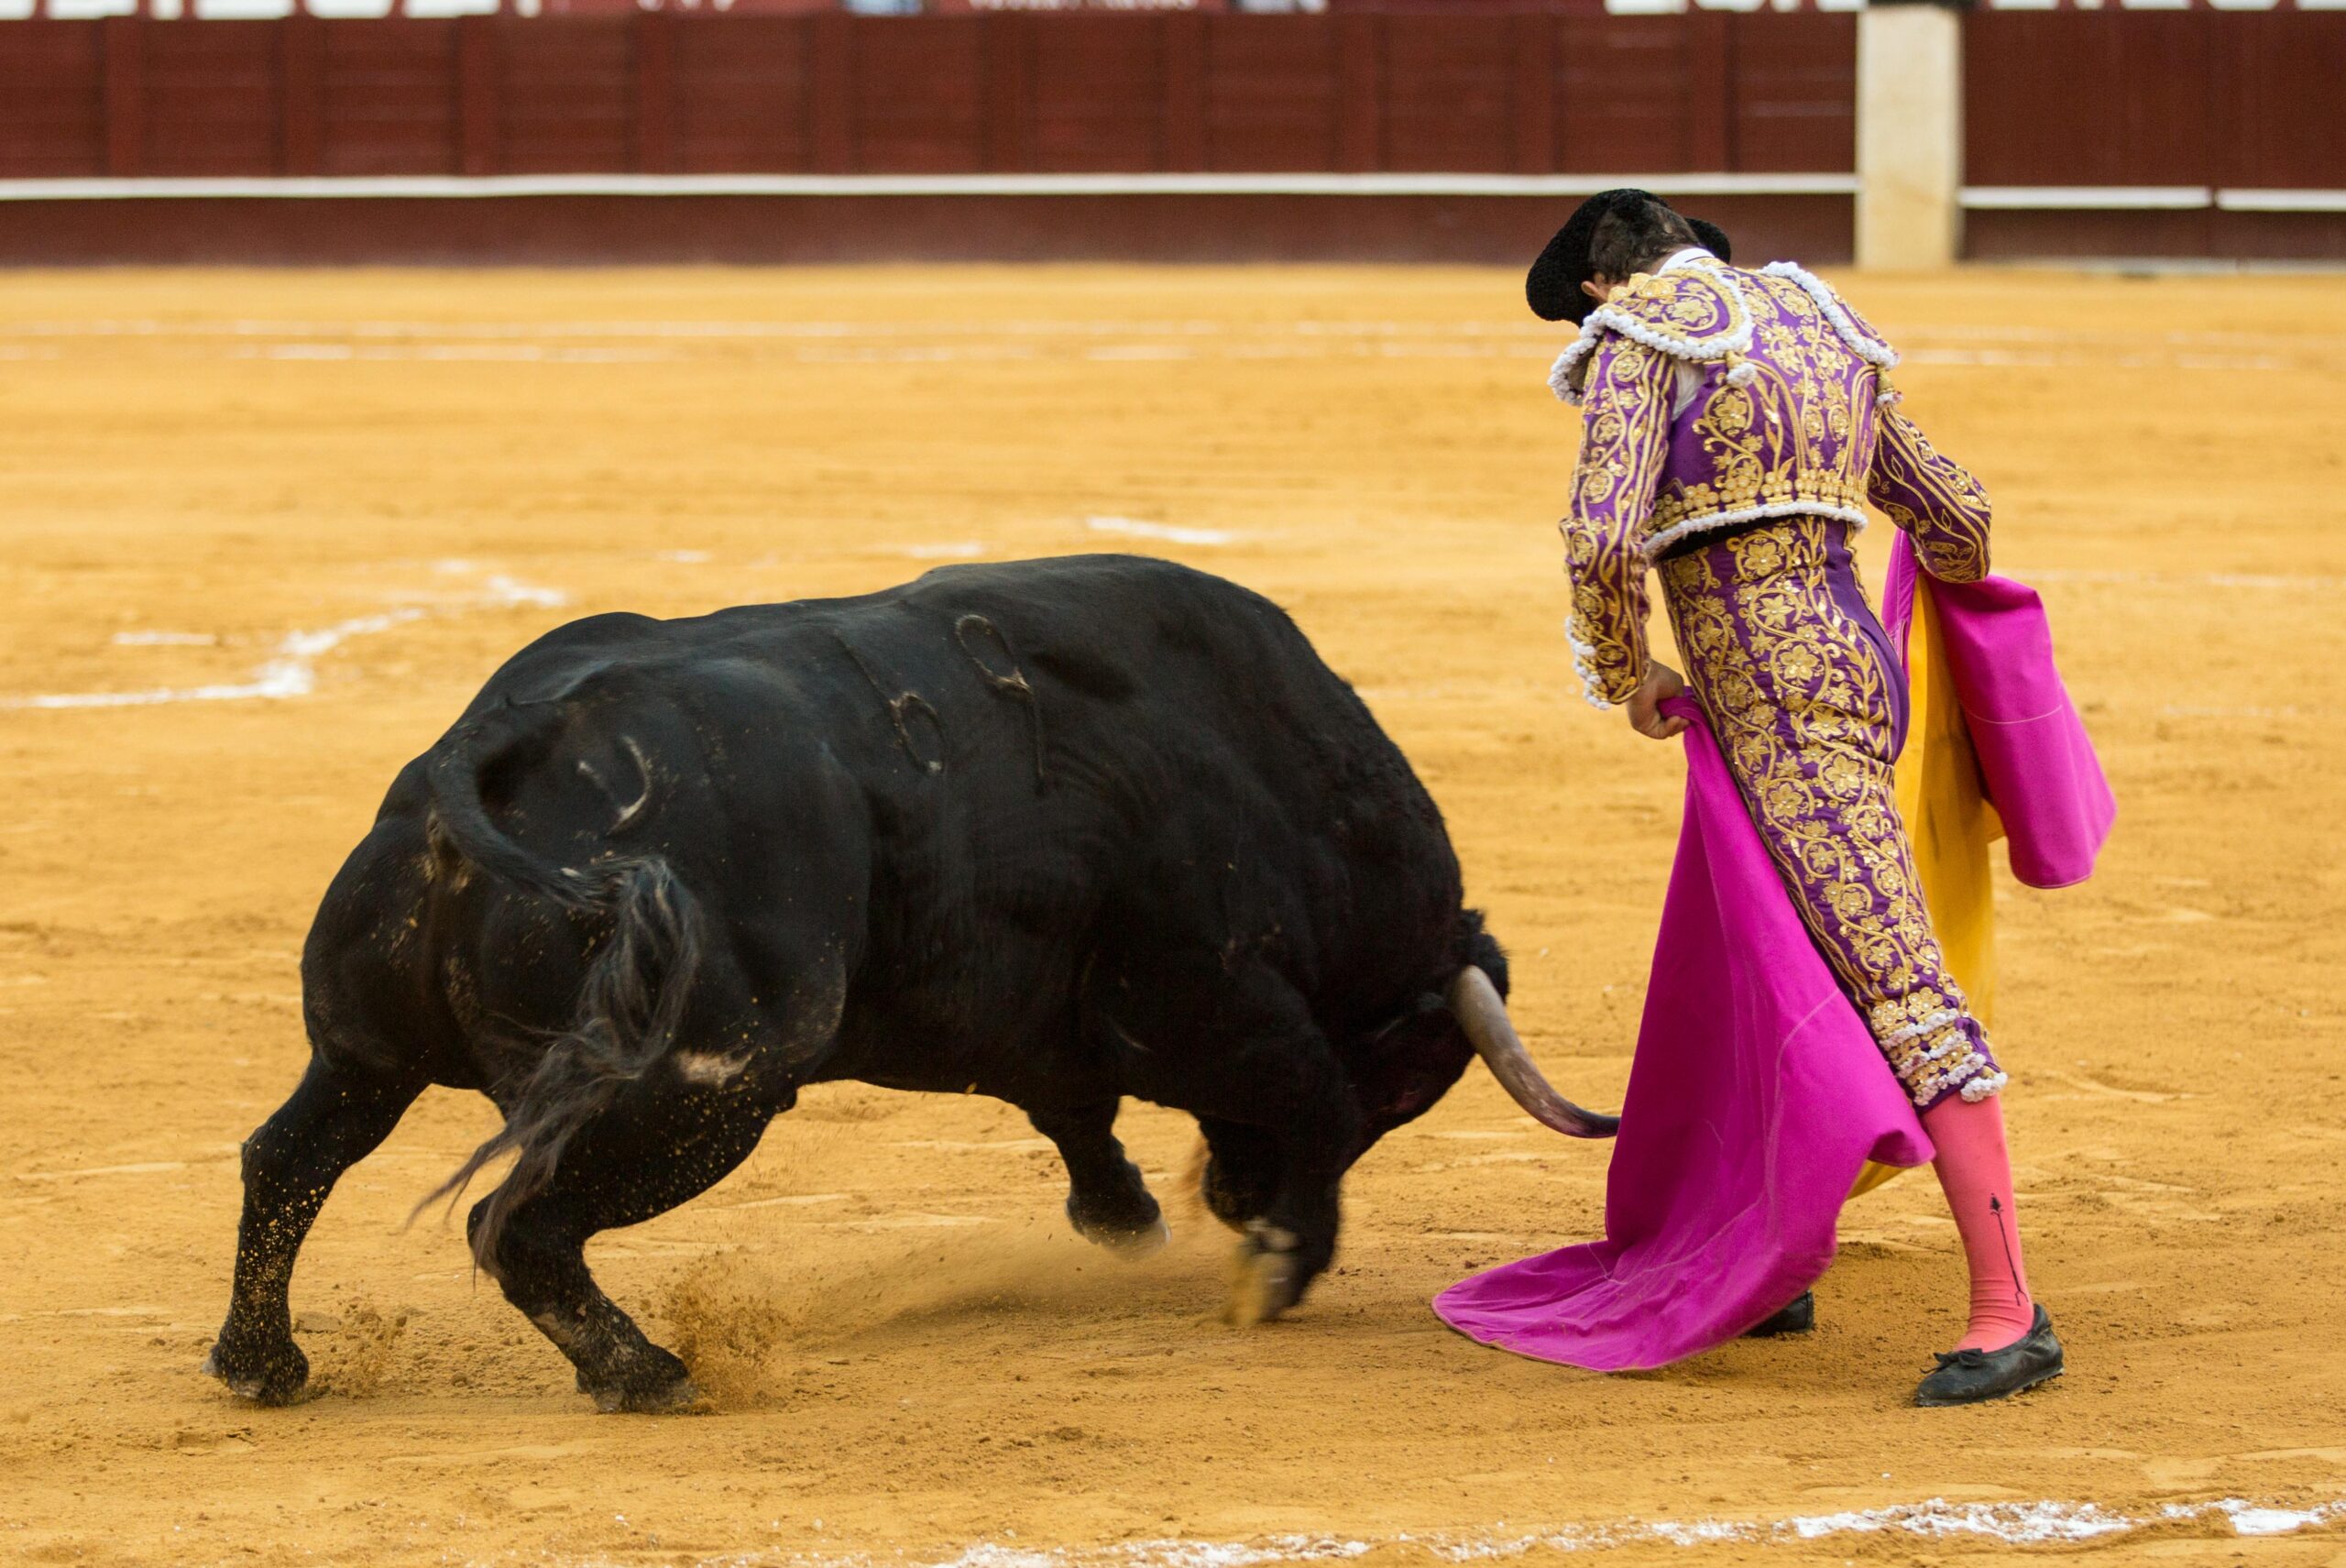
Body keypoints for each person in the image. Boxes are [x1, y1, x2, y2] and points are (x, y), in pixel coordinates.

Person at [1526, 189, 2061, 1406]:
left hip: (1765, 692)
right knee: (1781, 954)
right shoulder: (1824, 326)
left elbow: (1604, 541)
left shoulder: (1638, 338)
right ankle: (1770, 1249)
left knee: (1890, 974)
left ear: (1604, 282)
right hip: (1856, 668)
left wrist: (1627, 673)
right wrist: (1949, 599)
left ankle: (2009, 1310)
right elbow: (1956, 516)